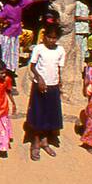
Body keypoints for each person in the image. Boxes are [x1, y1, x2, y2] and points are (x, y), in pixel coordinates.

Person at [26, 21, 66, 161]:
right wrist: (40, 79)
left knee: (49, 114)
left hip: (53, 86)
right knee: (39, 114)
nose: (51, 40)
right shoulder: (39, 48)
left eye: (54, 38)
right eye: (49, 37)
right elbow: (32, 66)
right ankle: (35, 142)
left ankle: (45, 140)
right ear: (44, 36)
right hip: (40, 86)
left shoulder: (60, 50)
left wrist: (59, 82)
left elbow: (59, 68)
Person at [0, 0, 42, 84]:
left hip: (15, 34)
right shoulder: (6, 7)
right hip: (7, 35)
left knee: (14, 54)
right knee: (6, 55)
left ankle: (11, 72)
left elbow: (33, 1)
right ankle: (5, 74)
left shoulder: (21, 2)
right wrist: (5, 21)